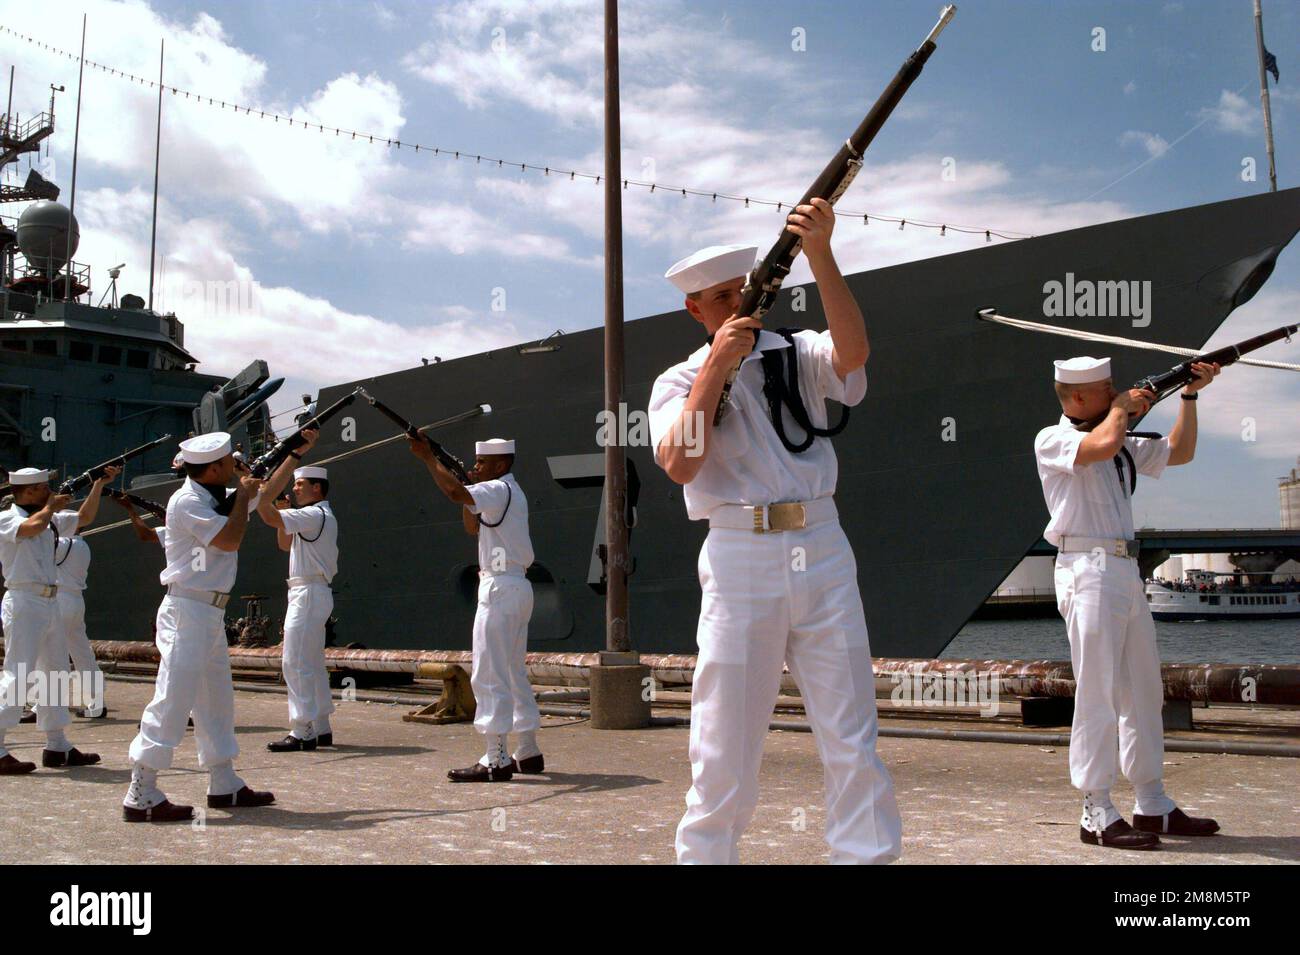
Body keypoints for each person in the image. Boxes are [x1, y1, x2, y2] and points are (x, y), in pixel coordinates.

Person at [646, 197, 902, 864]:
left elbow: (853, 356)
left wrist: (820, 252)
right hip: (740, 553)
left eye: (744, 291)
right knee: (724, 738)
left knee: (851, 729)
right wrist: (715, 370)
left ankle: (866, 856)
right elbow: (680, 461)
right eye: (720, 297)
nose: (736, 305)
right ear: (695, 310)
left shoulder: (798, 351)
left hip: (820, 543)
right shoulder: (675, 380)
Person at [1034, 355, 1222, 850]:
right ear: (1077, 397)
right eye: (1107, 388)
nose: (1117, 392)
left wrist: (1189, 393)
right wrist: (1122, 409)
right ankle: (1095, 807)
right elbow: (1100, 444)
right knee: (1096, 691)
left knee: (1143, 689)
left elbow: (1180, 452)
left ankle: (1151, 801)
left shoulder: (1122, 445)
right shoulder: (1054, 440)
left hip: (1123, 567)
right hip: (1085, 566)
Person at [121, 432, 294, 822]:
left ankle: (223, 782)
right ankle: (141, 790)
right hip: (187, 609)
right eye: (230, 463)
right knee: (173, 697)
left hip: (209, 612)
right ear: (214, 468)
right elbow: (230, 540)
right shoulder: (187, 502)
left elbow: (260, 498)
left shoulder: (213, 498)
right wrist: (244, 496)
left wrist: (295, 455)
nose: (237, 466)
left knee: (215, 699)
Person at [408, 436, 543, 782]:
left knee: (488, 672)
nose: (476, 467)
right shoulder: (503, 492)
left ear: (499, 465)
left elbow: (454, 493)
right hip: (515, 586)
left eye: (482, 463)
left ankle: (495, 757)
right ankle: (527, 750)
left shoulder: (497, 488)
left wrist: (428, 458)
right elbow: (471, 525)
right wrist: (469, 490)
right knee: (512, 672)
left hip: (499, 587)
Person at [0, 465, 117, 774]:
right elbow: (29, 529)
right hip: (23, 599)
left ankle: (57, 744)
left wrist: (98, 486)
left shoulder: (49, 517)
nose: (49, 492)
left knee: (55, 672)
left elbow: (84, 519)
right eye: (42, 488)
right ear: (26, 491)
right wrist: (51, 508)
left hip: (50, 599)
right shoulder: (7, 518)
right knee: (19, 672)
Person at [254, 431, 340, 751]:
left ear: (317, 488)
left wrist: (266, 495)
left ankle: (301, 729)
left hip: (307, 594)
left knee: (294, 661)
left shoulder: (313, 514)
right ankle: (321, 725)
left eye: (300, 485)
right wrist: (280, 507)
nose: (295, 487)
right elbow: (283, 542)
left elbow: (264, 514)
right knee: (312, 661)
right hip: (312, 592)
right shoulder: (316, 517)